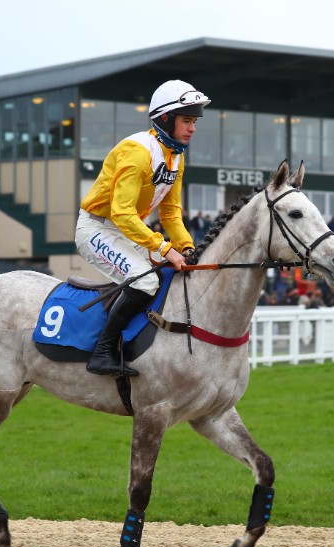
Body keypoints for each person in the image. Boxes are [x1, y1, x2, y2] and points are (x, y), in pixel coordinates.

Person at [74, 79, 206, 376]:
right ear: (165, 119)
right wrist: (163, 247)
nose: (193, 128)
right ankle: (102, 351)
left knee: (170, 273)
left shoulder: (176, 157)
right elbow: (122, 213)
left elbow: (171, 213)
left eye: (194, 121)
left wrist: (185, 247)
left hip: (129, 230)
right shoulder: (137, 153)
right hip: (97, 229)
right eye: (187, 120)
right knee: (145, 282)